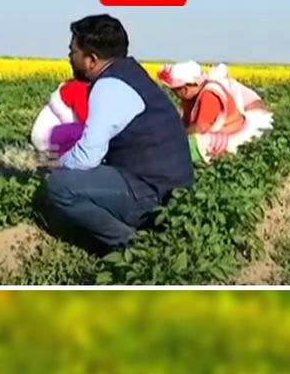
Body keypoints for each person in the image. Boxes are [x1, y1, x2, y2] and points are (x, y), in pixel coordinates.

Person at [42, 15, 194, 254]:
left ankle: (132, 247)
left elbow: (87, 157)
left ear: (92, 60)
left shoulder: (109, 86)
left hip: (153, 194)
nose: (69, 57)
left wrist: (57, 165)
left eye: (73, 51)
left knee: (60, 186)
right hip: (171, 187)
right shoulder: (130, 74)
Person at [157, 61, 275, 165]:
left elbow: (200, 127)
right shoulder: (190, 98)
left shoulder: (209, 94)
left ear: (185, 89)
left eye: (175, 90)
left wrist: (174, 136)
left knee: (193, 144)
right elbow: (186, 123)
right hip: (226, 130)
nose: (175, 94)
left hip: (233, 133)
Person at [31, 79, 91, 155]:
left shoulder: (75, 86)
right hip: (46, 138)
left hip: (45, 138)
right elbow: (85, 120)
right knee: (84, 132)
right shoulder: (78, 88)